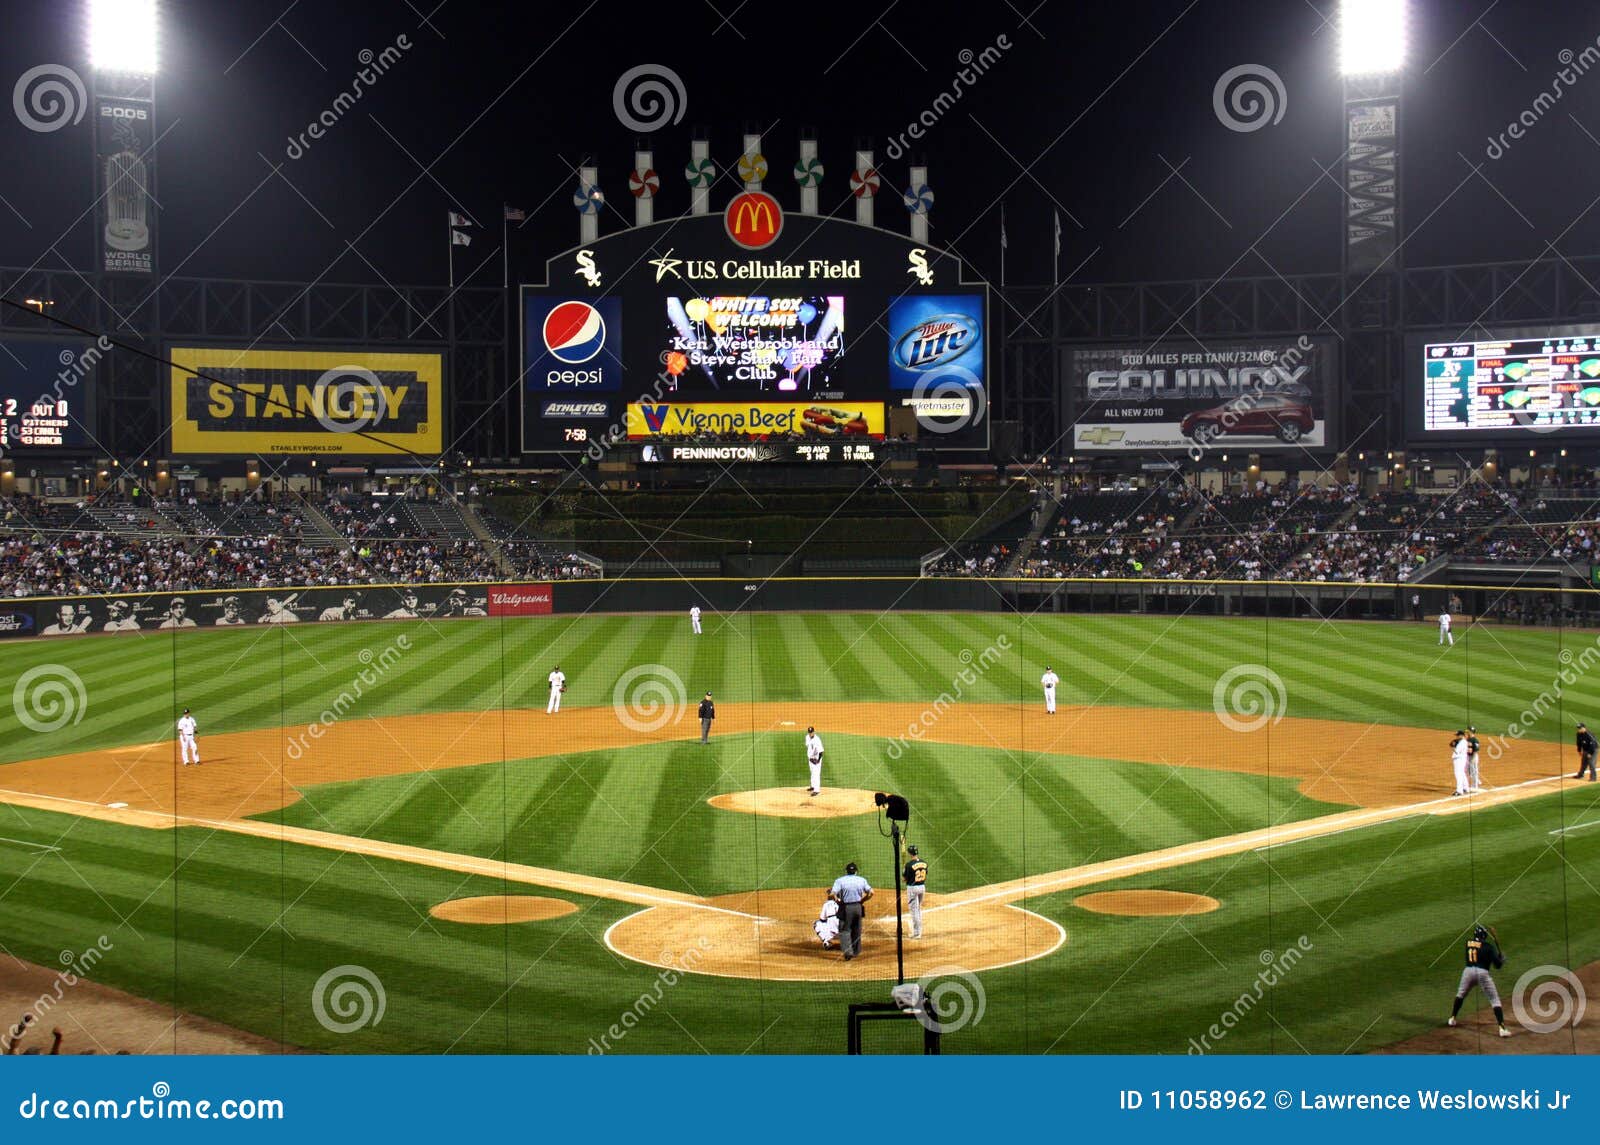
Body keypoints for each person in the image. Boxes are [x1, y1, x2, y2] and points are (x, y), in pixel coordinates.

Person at [1447, 924, 1511, 1038]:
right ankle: (1502, 1028)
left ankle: (1452, 1018)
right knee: (1494, 1000)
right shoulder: (1489, 947)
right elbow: (1497, 965)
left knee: (1460, 994)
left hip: (1468, 972)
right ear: (1484, 936)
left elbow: (1477, 948)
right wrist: (1501, 960)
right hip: (1482, 974)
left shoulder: (1468, 943)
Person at [829, 862, 874, 961]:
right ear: (856, 872)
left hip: (846, 907)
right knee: (857, 929)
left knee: (845, 929)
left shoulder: (840, 881)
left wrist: (837, 900)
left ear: (846, 871)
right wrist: (863, 900)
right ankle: (856, 951)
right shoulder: (862, 880)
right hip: (858, 907)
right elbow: (871, 892)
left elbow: (832, 894)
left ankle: (848, 953)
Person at [903, 844, 928, 939]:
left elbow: (905, 879)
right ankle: (919, 931)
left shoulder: (909, 865)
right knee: (918, 909)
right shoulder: (924, 863)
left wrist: (904, 871)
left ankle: (917, 933)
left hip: (912, 889)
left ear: (910, 853)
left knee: (914, 911)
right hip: (922, 887)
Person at [805, 726, 824, 795]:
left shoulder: (817, 740)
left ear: (814, 732)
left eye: (811, 732)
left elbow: (821, 752)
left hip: (816, 759)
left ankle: (817, 790)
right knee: (812, 772)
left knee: (816, 774)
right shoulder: (807, 737)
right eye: (809, 733)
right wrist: (810, 757)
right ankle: (813, 786)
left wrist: (818, 760)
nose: (810, 734)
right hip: (810, 758)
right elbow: (808, 747)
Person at [1450, 730, 1470, 797]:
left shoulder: (1462, 743)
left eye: (1457, 735)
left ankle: (1459, 791)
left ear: (1461, 735)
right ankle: (1465, 788)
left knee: (1458, 774)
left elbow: (1456, 751)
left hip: (1459, 760)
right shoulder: (1463, 742)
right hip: (1461, 759)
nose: (1456, 736)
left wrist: (1452, 746)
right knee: (1462, 773)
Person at [1466, 726, 1483, 792]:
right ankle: (1476, 781)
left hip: (1473, 757)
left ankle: (1475, 786)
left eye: (1468, 731)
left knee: (1474, 772)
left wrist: (1473, 758)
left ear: (1471, 732)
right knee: (1468, 771)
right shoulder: (1468, 739)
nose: (1467, 733)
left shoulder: (1475, 740)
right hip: (1468, 757)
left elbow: (1476, 750)